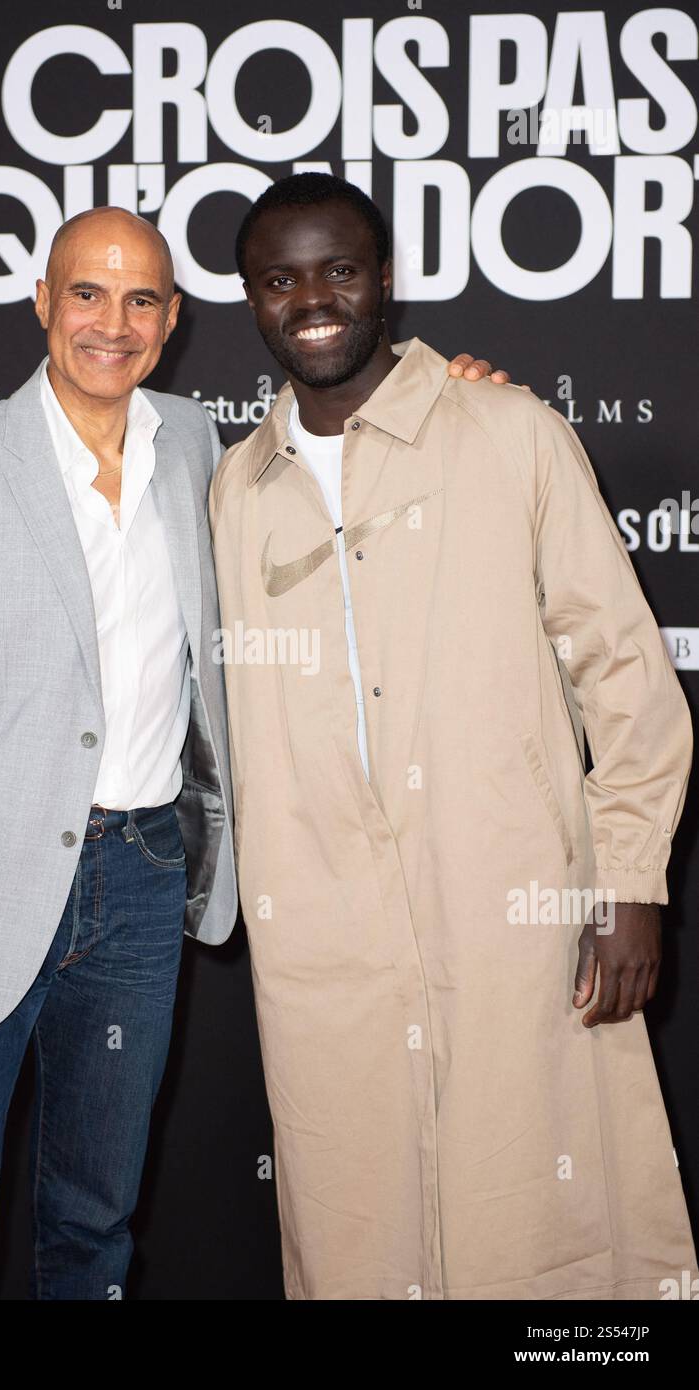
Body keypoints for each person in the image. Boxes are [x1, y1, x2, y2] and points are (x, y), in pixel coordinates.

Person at [0, 202, 505, 1299]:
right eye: (87, 293)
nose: (113, 322)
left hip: (145, 881)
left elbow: (342, 448)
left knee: (94, 1226)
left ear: (171, 319)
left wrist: (459, 404)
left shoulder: (200, 448)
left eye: (140, 298)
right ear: (42, 305)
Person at [208, 173, 697, 1301]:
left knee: (546, 1217)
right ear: (251, 301)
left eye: (338, 269)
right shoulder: (233, 489)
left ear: (385, 281)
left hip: (512, 900)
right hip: (322, 923)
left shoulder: (509, 432)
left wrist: (628, 879)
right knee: (352, 1226)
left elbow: (621, 666)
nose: (312, 299)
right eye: (279, 279)